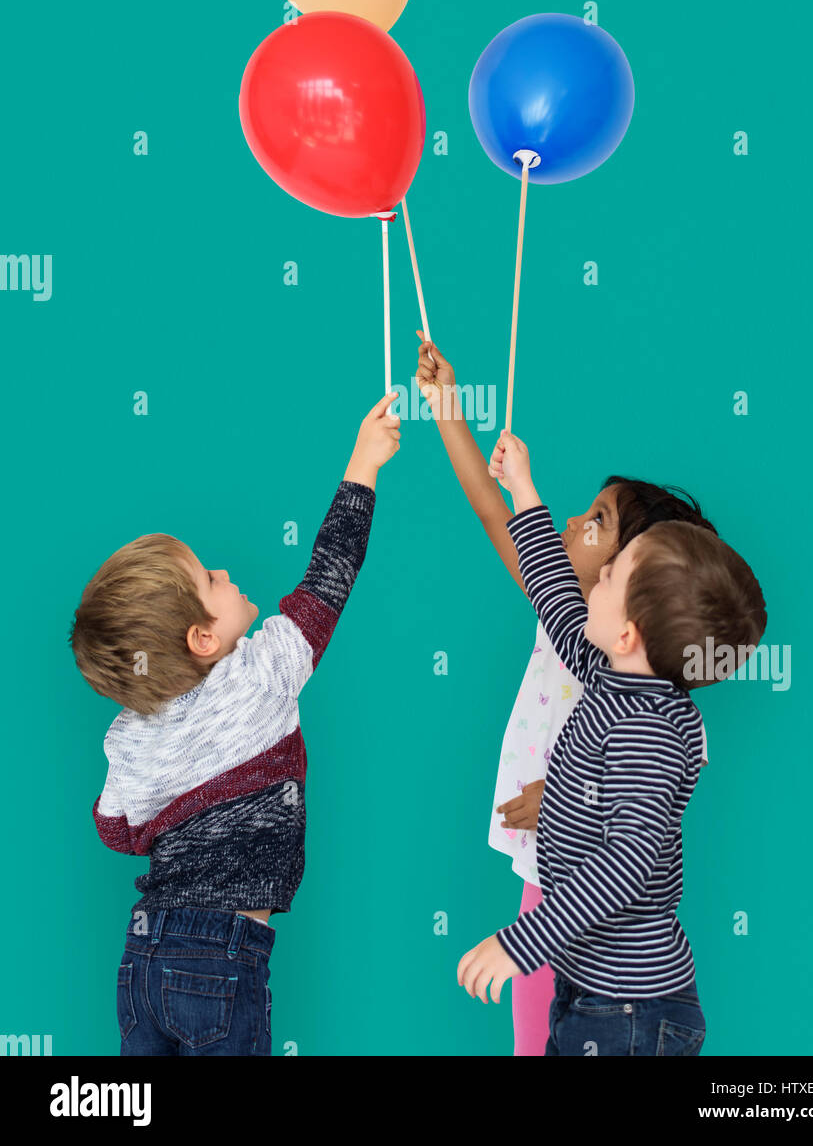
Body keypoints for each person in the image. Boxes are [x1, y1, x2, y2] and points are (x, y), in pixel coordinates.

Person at [69, 392, 401, 1055]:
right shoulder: (261, 674)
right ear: (201, 637)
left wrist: (172, 800)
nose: (224, 570)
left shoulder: (131, 733)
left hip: (143, 960)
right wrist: (363, 465)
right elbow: (329, 579)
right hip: (219, 959)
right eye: (209, 578)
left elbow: (114, 829)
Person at [415, 332, 715, 1056]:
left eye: (597, 522)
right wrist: (449, 410)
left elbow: (668, 778)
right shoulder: (571, 626)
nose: (573, 525)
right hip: (545, 878)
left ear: (633, 587)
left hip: (597, 912)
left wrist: (563, 792)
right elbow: (499, 517)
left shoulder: (648, 691)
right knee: (539, 1037)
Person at [457, 429, 767, 1056]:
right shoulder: (611, 676)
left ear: (627, 632)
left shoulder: (651, 730)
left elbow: (625, 865)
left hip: (630, 1007)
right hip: (594, 988)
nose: (586, 589)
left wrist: (522, 943)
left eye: (609, 577)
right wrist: (523, 487)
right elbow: (552, 593)